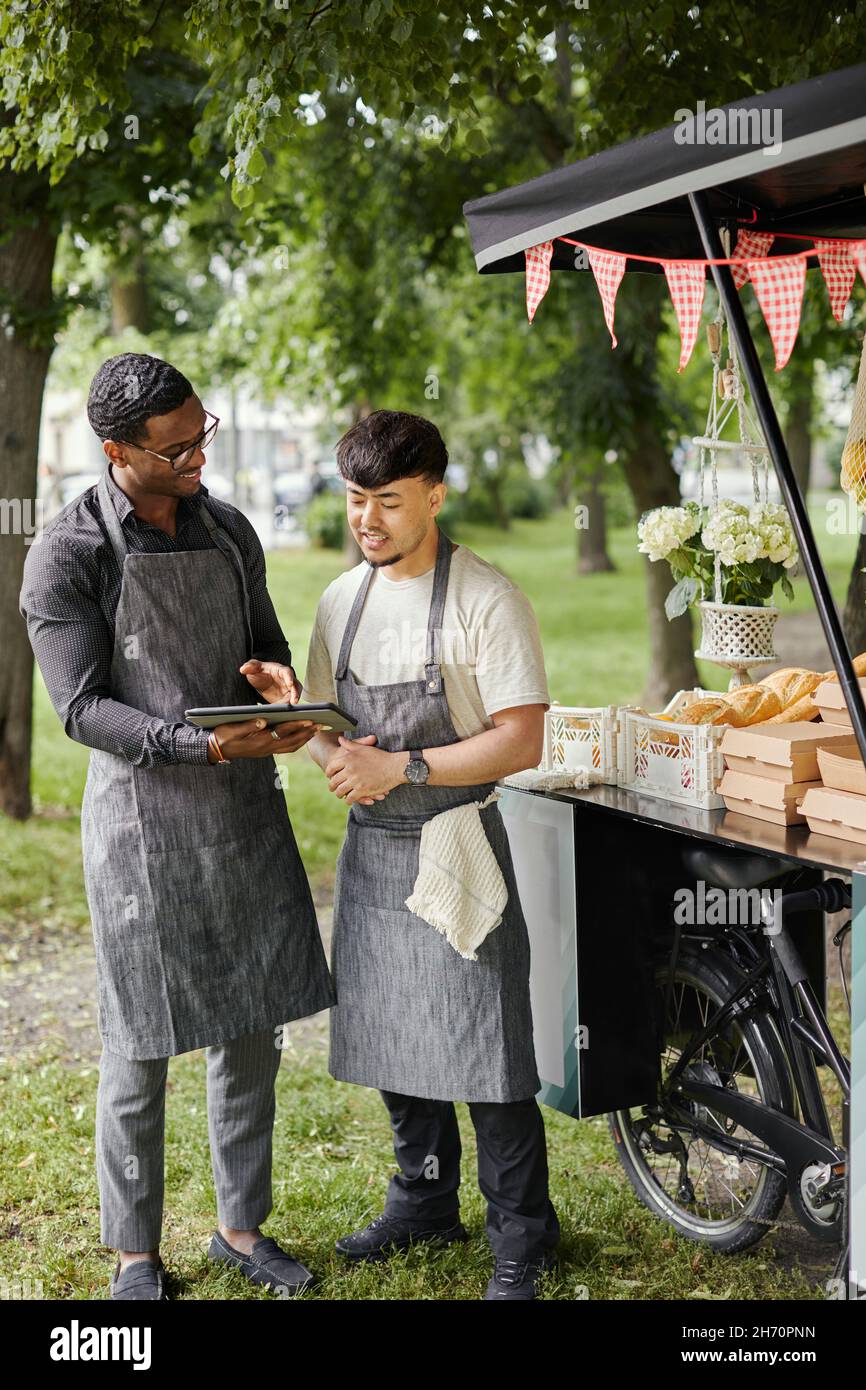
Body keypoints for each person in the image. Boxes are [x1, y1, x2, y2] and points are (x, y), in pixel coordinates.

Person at [19, 353, 335, 1301]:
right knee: (140, 1040)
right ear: (118, 452)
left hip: (242, 815)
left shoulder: (231, 530)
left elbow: (264, 642)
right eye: (177, 447)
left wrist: (276, 689)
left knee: (249, 1031)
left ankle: (240, 1231)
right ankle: (135, 1255)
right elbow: (79, 709)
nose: (199, 454)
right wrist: (199, 749)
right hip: (144, 833)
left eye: (204, 431)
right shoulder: (67, 553)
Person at [300, 409, 560, 1300]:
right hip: (375, 850)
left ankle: (524, 1233)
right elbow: (326, 731)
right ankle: (422, 1199)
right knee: (391, 1037)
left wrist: (400, 764)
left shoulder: (488, 599)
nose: (367, 519)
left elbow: (521, 740)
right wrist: (332, 752)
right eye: (355, 499)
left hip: (460, 844)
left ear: (436, 495)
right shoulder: (342, 601)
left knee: (487, 1050)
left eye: (388, 501)